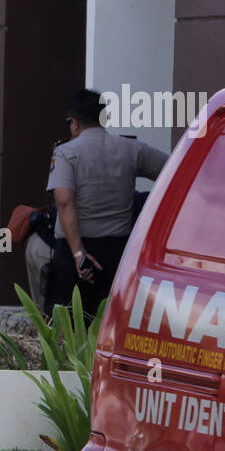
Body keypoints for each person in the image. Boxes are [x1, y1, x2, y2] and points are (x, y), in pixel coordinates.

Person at [46, 89, 168, 314]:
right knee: (108, 325)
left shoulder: (65, 153)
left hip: (75, 254)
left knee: (66, 333)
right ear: (105, 119)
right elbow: (174, 170)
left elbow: (64, 202)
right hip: (118, 252)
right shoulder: (132, 149)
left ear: (74, 122)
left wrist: (79, 255)